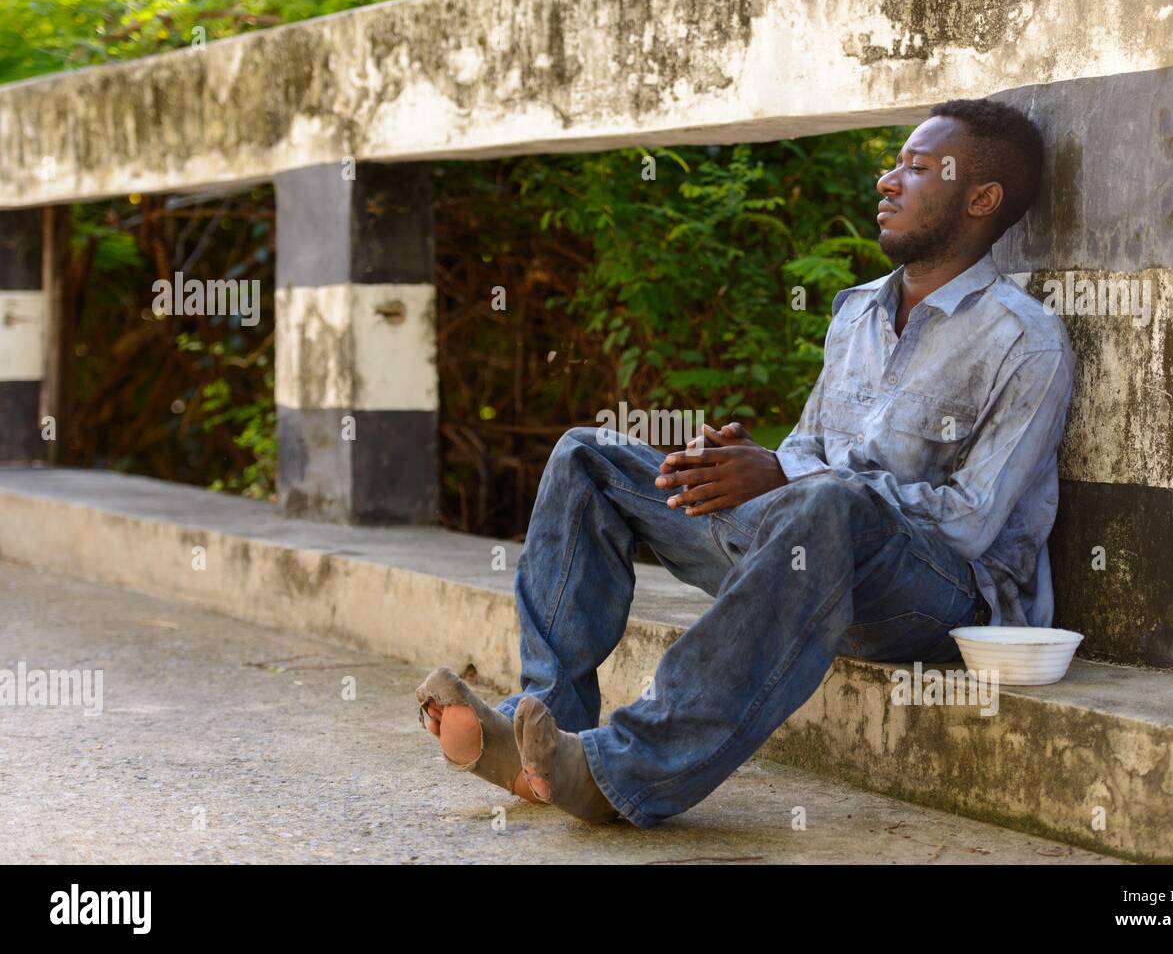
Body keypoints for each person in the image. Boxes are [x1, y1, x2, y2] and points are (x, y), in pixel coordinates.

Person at [416, 98, 1075, 828]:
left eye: (916, 170)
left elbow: (975, 522)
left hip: (938, 599)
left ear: (981, 199)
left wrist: (792, 479)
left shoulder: (1027, 342)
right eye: (894, 164)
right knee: (587, 455)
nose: (888, 180)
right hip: (803, 556)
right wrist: (744, 464)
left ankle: (621, 773)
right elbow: (809, 450)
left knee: (825, 506)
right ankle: (539, 732)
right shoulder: (856, 311)